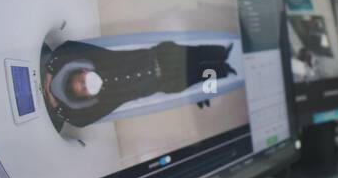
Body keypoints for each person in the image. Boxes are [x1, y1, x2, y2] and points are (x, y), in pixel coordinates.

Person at [43, 38, 236, 128]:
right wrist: (54, 103)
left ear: (84, 71)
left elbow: (70, 48)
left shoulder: (99, 59)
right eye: (84, 90)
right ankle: (224, 70)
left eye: (81, 81)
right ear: (88, 96)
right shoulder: (107, 99)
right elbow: (81, 120)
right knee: (200, 75)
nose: (86, 85)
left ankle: (221, 54)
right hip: (168, 81)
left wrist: (50, 72)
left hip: (164, 57)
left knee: (198, 52)